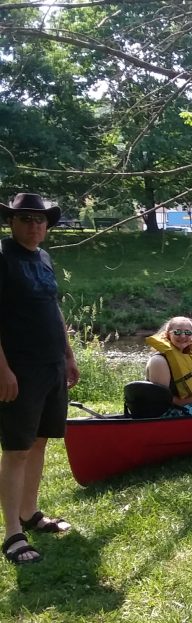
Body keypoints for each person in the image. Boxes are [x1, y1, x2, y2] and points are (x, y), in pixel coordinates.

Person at [0, 193, 80, 565]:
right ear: (12, 222)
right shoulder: (2, 257)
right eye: (27, 219)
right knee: (16, 448)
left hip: (51, 366)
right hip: (19, 369)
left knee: (39, 441)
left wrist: (68, 355)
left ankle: (29, 513)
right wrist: (3, 369)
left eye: (40, 220)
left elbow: (52, 306)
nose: (34, 226)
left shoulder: (43, 258)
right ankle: (12, 533)